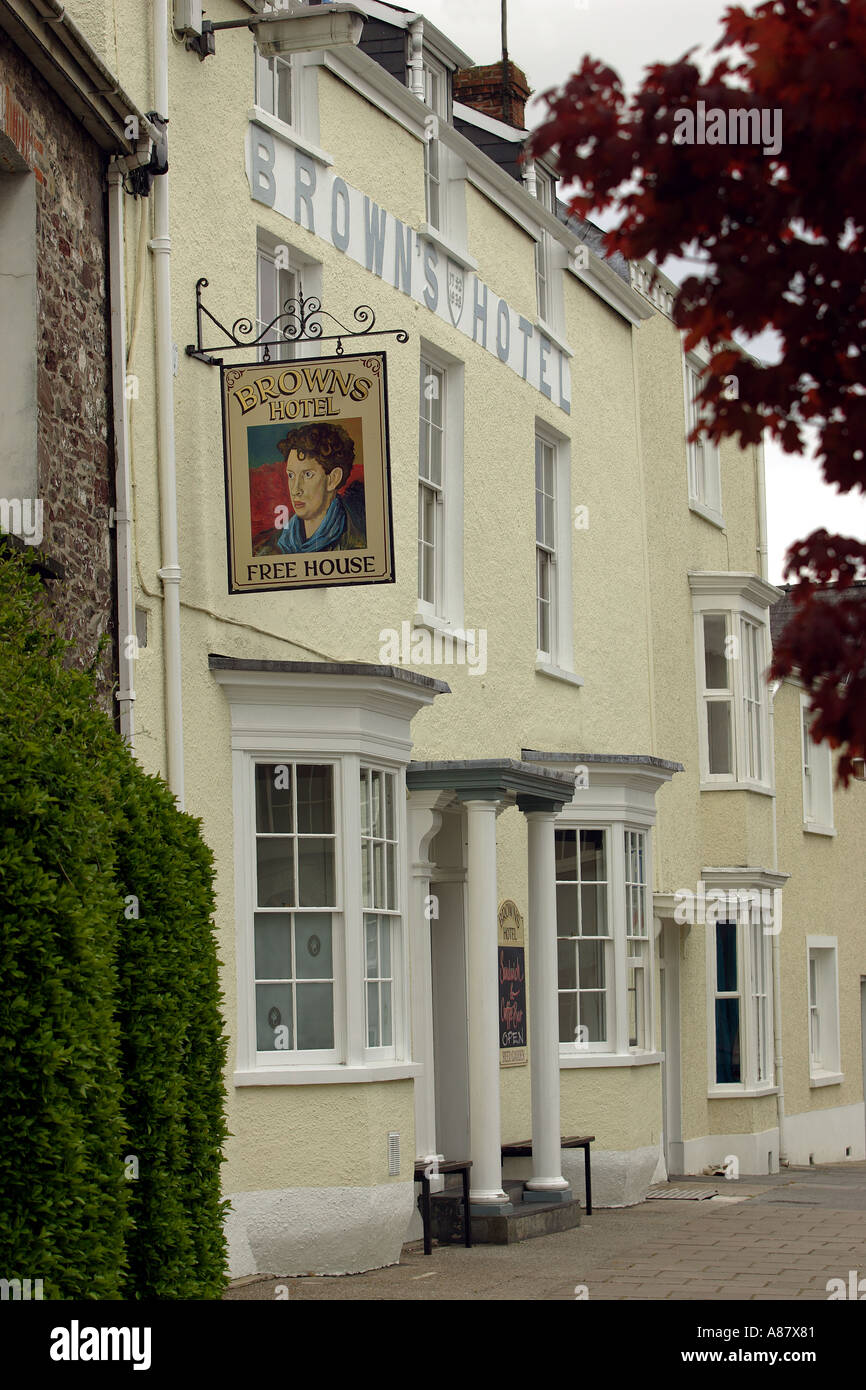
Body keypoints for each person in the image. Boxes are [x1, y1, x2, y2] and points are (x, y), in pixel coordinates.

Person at [252, 422, 366, 555]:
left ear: (333, 479)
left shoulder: (358, 545)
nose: (295, 490)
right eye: (291, 475)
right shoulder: (269, 545)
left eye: (307, 475)